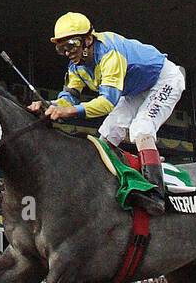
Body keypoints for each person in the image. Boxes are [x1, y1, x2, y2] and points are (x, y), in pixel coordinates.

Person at [29, 13, 184, 216]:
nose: (68, 52)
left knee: (141, 127)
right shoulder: (76, 66)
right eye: (62, 48)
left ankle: (155, 192)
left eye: (72, 45)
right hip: (135, 89)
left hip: (164, 80)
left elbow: (107, 103)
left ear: (88, 40)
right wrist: (48, 105)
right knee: (106, 135)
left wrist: (68, 112)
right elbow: (69, 98)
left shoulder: (110, 55)